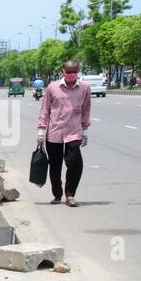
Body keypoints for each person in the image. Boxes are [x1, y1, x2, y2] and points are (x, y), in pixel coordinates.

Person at [36, 59, 91, 207]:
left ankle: (70, 194)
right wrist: (41, 131)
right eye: (68, 73)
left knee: (75, 164)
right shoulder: (53, 87)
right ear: (63, 72)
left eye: (74, 72)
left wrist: (85, 131)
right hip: (54, 132)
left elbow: (86, 110)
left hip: (74, 131)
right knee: (55, 165)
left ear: (78, 72)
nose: (71, 75)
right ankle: (57, 194)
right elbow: (45, 110)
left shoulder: (84, 88)